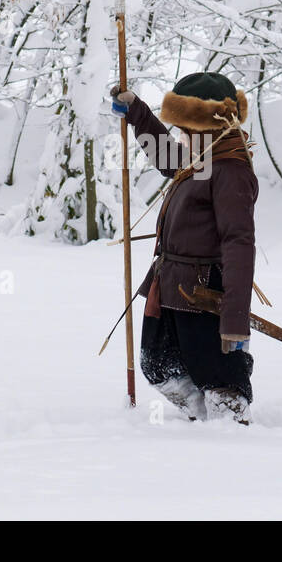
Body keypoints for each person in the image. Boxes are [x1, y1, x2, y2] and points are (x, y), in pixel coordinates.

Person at [109, 72, 258, 424]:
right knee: (157, 365)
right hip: (171, 284)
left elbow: (239, 242)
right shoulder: (200, 160)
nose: (180, 136)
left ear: (207, 127)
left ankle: (230, 430)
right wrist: (136, 111)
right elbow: (165, 156)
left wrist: (235, 318)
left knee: (220, 378)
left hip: (206, 293)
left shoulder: (230, 170)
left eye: (185, 128)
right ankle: (200, 418)